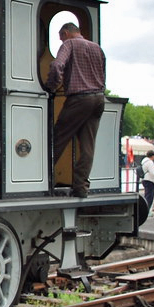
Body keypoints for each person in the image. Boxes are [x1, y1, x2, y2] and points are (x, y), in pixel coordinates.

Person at [46, 22, 106, 198]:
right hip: (98, 98)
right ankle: (81, 187)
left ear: (66, 33)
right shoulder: (97, 48)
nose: (61, 41)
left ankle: (45, 179)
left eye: (61, 38)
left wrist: (51, 86)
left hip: (79, 98)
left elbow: (57, 65)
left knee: (58, 138)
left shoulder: (69, 44)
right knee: (88, 146)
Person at [141, 150, 154, 215]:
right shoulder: (150, 162)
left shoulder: (144, 161)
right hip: (150, 180)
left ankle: (145, 210)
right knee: (149, 197)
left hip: (145, 179)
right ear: (153, 156)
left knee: (147, 195)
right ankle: (147, 211)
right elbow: (153, 172)